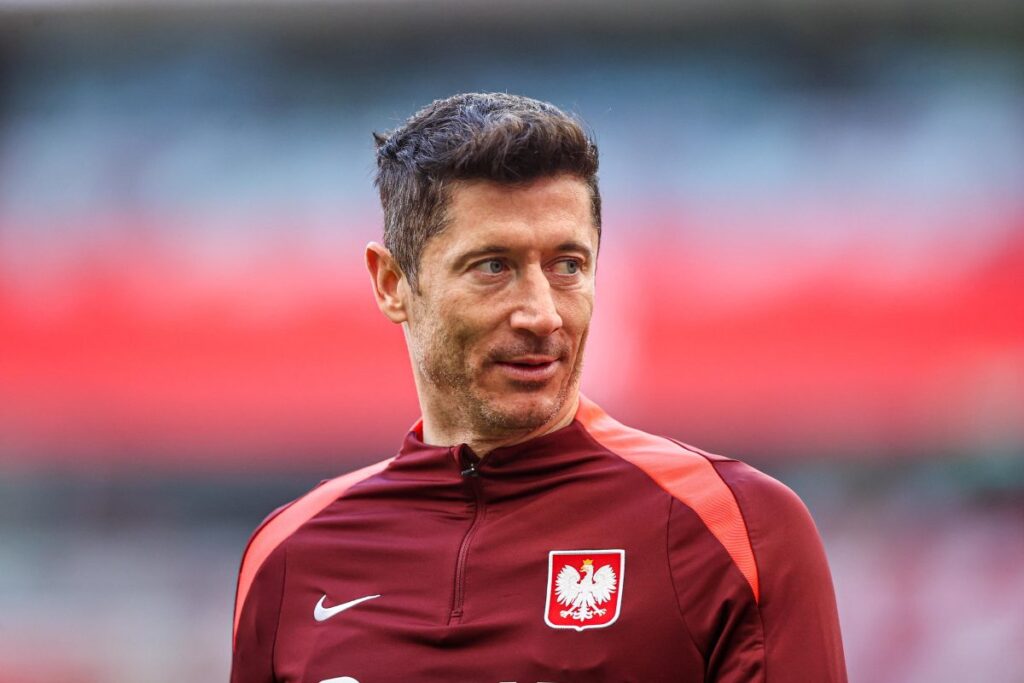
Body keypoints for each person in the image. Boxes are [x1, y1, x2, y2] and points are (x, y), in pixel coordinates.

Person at [230, 92, 847, 683]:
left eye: (567, 266)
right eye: (493, 266)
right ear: (392, 283)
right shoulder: (289, 556)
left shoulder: (736, 528)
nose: (542, 314)